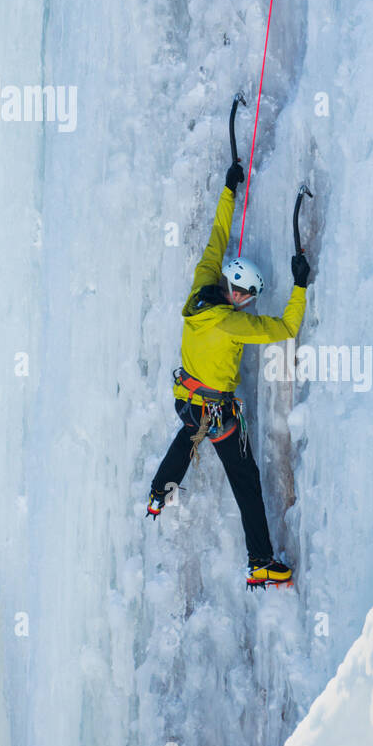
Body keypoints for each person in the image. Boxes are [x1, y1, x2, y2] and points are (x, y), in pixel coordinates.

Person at [147, 159, 311, 588]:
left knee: (189, 435)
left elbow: (218, 237)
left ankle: (159, 489)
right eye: (247, 295)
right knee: (247, 483)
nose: (245, 300)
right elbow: (287, 328)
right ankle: (260, 561)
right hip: (216, 413)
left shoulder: (200, 288)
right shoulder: (235, 323)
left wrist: (228, 189)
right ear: (241, 294)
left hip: (189, 399)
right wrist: (300, 285)